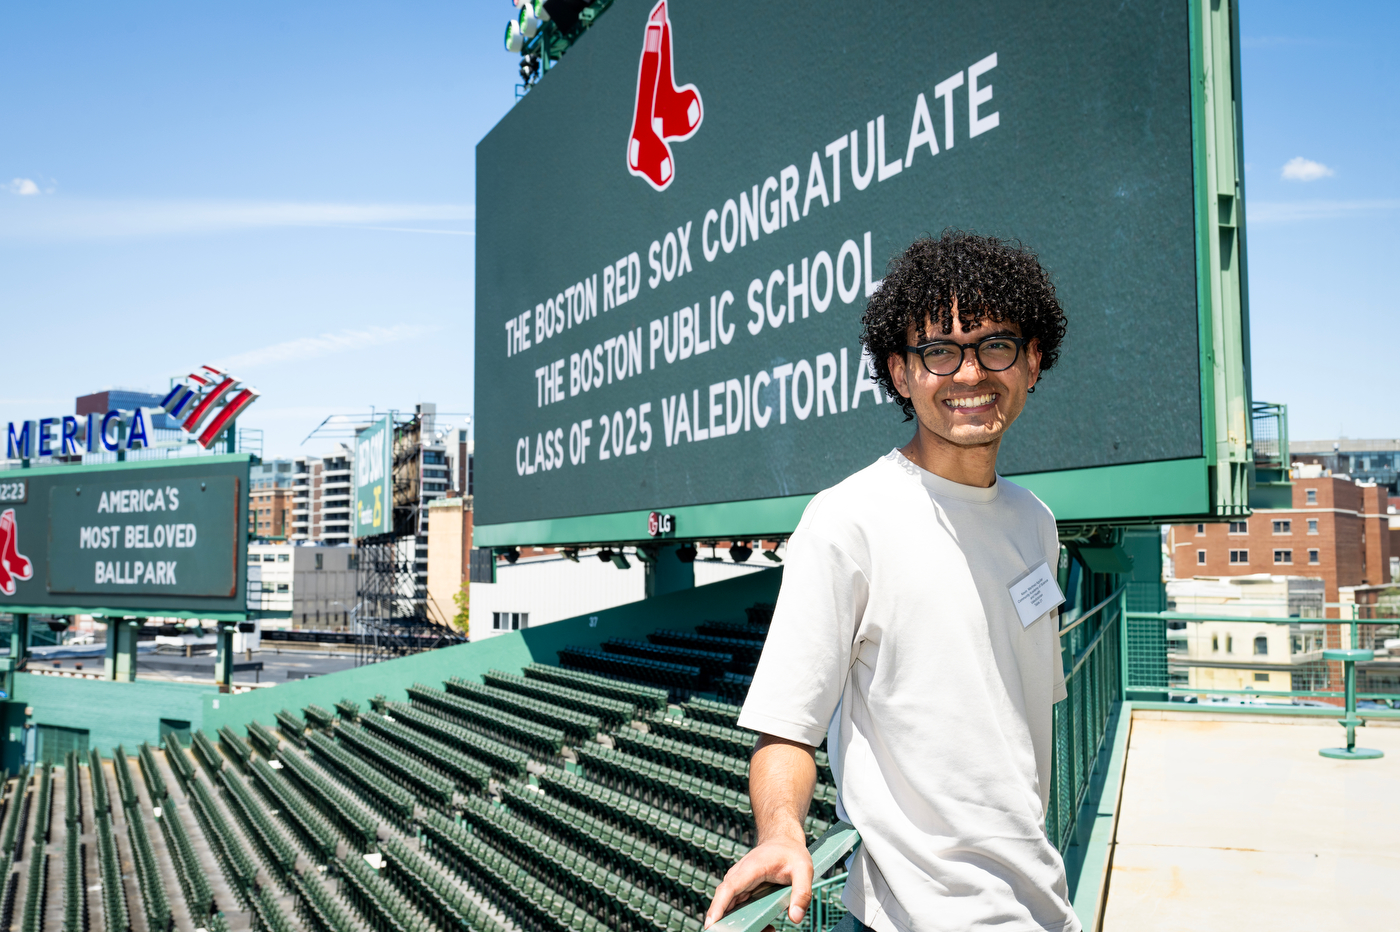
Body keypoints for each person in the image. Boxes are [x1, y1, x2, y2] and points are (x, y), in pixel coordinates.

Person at [704, 230, 1077, 932]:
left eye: (995, 345)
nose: (969, 375)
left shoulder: (1037, 523)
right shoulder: (847, 521)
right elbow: (787, 727)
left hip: (1040, 907)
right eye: (938, 352)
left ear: (1032, 361)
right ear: (901, 374)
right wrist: (781, 830)